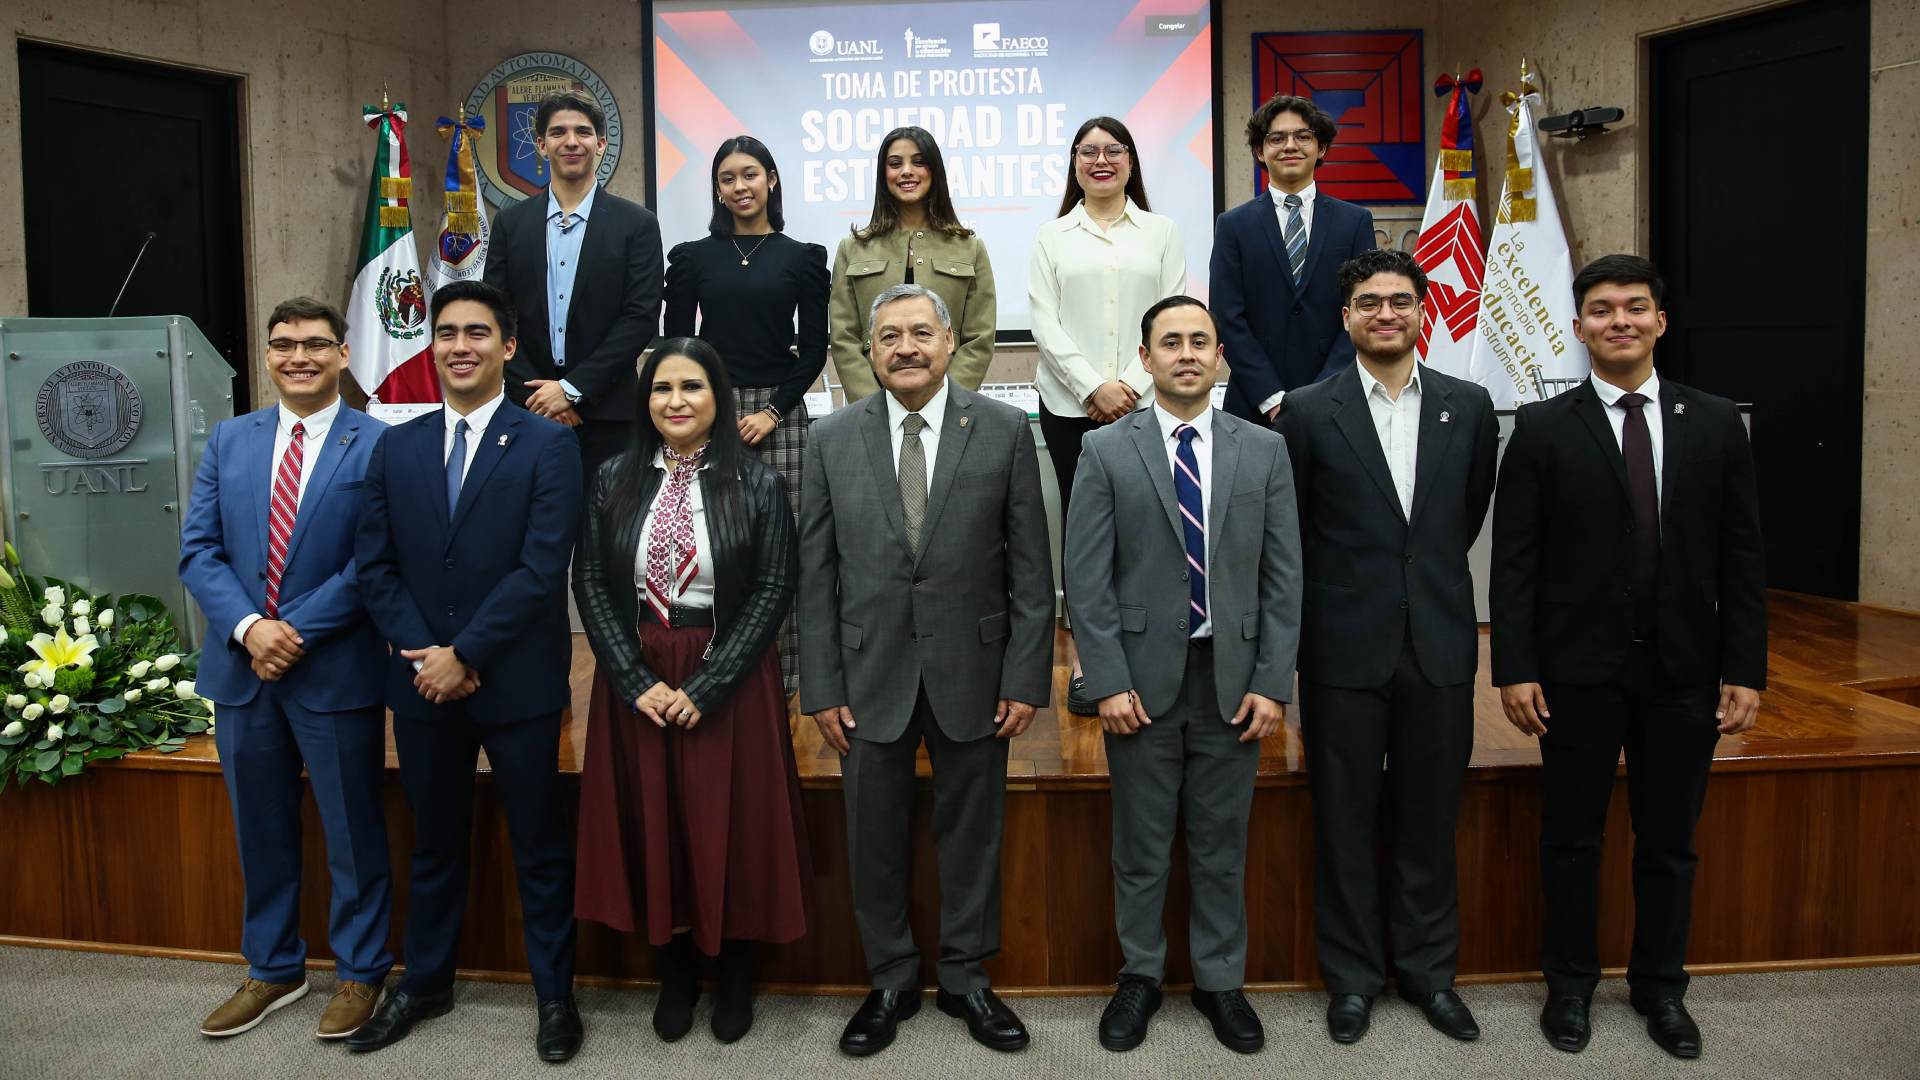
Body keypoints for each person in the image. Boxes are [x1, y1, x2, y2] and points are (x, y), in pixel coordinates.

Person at [1492, 254, 1766, 1061]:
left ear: (1660, 322)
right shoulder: (1543, 429)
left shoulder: (1713, 421)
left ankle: (1660, 989)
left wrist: (1745, 668)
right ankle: (1570, 986)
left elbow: (1743, 558)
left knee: (1670, 840)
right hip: (1575, 673)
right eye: (1602, 310)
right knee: (1571, 837)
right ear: (1578, 329)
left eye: (1635, 308)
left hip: (1684, 672)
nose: (1620, 321)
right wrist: (1514, 665)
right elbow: (1516, 561)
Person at [798, 283, 1053, 1056]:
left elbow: (1032, 575)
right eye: (889, 338)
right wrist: (823, 685)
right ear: (868, 353)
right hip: (866, 673)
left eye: (920, 334)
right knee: (873, 834)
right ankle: (890, 979)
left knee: (971, 832)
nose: (905, 348)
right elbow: (816, 573)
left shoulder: (1005, 430)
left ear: (949, 344)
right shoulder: (830, 438)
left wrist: (1023, 678)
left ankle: (968, 977)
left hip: (974, 671)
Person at [348, 279, 585, 1062]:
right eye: (446, 332)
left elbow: (541, 567)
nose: (459, 346)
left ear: (508, 347)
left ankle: (555, 997)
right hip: (422, 686)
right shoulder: (398, 444)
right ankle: (426, 981)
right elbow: (376, 567)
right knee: (435, 843)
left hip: (513, 683)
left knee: (539, 847)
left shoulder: (550, 443)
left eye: (477, 333)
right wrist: (428, 655)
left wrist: (466, 655)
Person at [1064, 295, 1301, 1055]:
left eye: (1201, 341)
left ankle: (1219, 982)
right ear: (1147, 357)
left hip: (1232, 679)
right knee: (1140, 840)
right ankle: (1139, 974)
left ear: (1220, 356)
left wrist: (1273, 680)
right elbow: (1087, 578)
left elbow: (1283, 577)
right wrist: (1105, 678)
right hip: (1140, 682)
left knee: (1220, 841)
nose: (1188, 353)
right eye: (1171, 342)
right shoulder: (1106, 450)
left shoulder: (1263, 449)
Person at [1275, 249, 1498, 1046]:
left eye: (1400, 301)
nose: (1385, 314)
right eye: (1368, 303)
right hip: (1342, 647)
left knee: (1431, 817)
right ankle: (1354, 979)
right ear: (1347, 317)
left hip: (1438, 642)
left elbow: (1461, 518)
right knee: (1344, 817)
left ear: (1423, 312)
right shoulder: (1305, 409)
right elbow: (1293, 534)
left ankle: (1431, 974)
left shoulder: (1468, 406)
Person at [572, 336, 811, 1045]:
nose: (675, 401)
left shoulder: (758, 481)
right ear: (646, 402)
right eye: (661, 389)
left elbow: (774, 589)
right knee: (658, 820)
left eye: (692, 388)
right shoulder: (614, 475)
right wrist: (631, 678)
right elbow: (589, 580)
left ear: (719, 397)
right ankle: (674, 971)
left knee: (731, 822)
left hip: (727, 672)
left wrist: (706, 684)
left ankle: (734, 972)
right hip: (639, 673)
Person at [179, 297, 391, 1041]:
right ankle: (273, 968)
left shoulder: (377, 444)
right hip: (242, 670)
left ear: (341, 353)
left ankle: (363, 972)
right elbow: (198, 549)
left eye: (314, 344)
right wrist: (248, 627)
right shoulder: (231, 439)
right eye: (282, 345)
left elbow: (377, 560)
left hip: (333, 666)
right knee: (259, 830)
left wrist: (292, 630)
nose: (297, 357)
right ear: (267, 356)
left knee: (352, 832)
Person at [1029, 115, 1186, 717]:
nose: (1100, 160)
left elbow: (1174, 311)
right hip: (1071, 407)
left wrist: (1133, 384)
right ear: (1074, 165)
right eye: (1087, 152)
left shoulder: (1162, 230)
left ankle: (1151, 657)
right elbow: (1044, 321)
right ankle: (1092, 665)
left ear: (1130, 160)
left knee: (1150, 528)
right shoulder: (1052, 235)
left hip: (1148, 405)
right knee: (1085, 533)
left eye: (1112, 150)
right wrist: (1096, 386)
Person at [665, 135, 828, 695]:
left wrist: (774, 414)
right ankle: (716, 672)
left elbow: (812, 351)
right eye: (729, 178)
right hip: (709, 407)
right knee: (715, 541)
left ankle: (784, 676)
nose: (741, 186)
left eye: (751, 174)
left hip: (779, 414)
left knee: (786, 545)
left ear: (772, 180)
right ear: (717, 188)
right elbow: (679, 344)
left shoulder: (802, 257)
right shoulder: (693, 258)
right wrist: (700, 403)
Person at [485, 89, 664, 484]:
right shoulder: (511, 225)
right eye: (558, 132)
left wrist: (571, 389)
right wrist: (542, 397)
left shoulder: (637, 224)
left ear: (600, 144)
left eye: (583, 132)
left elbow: (640, 318)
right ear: (541, 144)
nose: (570, 141)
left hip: (608, 417)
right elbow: (497, 318)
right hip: (527, 411)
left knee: (607, 540)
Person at [1211, 94, 1377, 425]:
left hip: (1336, 401)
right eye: (1277, 138)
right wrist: (1271, 398)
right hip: (1253, 405)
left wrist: (1319, 397)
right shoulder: (1233, 225)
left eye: (1303, 136)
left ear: (1321, 148)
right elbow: (1227, 316)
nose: (1291, 146)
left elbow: (1364, 308)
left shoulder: (1355, 221)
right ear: (1260, 150)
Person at [828, 126, 995, 402]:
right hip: (873, 405)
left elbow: (979, 338)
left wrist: (947, 402)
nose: (906, 171)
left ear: (935, 171)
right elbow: (844, 339)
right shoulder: (853, 248)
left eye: (918, 162)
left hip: (947, 403)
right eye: (895, 164)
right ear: (884, 175)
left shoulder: (970, 248)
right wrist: (872, 405)